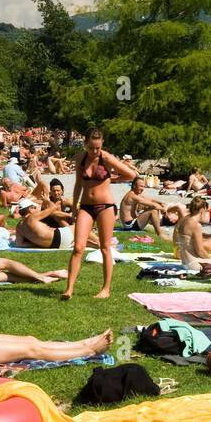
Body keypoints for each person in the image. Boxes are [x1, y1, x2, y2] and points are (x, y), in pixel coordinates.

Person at [63, 128, 137, 299]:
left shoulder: (107, 158)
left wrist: (112, 178)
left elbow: (131, 175)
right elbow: (78, 184)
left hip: (106, 206)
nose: (95, 151)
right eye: (91, 148)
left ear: (102, 143)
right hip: (86, 207)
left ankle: (106, 289)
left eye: (97, 147)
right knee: (78, 247)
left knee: (105, 248)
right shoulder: (81, 158)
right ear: (85, 144)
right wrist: (74, 206)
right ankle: (69, 288)